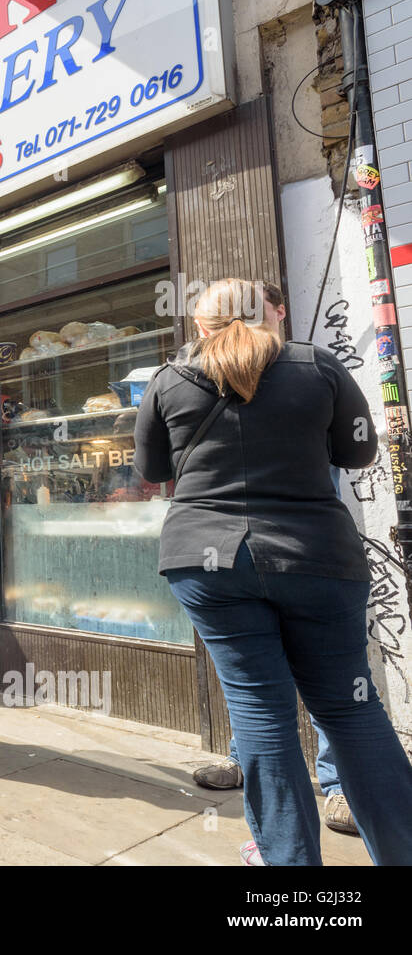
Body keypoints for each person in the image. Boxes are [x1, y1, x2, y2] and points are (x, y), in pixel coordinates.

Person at [134, 277, 412, 866]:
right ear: (273, 316)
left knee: (260, 713)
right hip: (316, 558)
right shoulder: (319, 367)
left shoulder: (169, 380)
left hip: (209, 562)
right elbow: (359, 451)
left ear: (201, 327)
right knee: (350, 707)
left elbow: (154, 467)